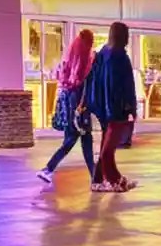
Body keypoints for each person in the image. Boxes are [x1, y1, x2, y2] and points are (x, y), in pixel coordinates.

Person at [37, 29, 96, 184]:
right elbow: (85, 89)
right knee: (78, 143)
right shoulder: (86, 64)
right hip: (80, 111)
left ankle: (95, 177)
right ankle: (48, 168)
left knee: (79, 143)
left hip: (71, 109)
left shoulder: (69, 62)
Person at [87, 22, 139, 192]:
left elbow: (94, 79)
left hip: (102, 107)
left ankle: (97, 180)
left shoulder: (102, 54)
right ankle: (116, 181)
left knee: (105, 144)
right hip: (117, 108)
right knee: (108, 149)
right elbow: (127, 85)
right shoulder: (120, 57)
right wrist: (132, 107)